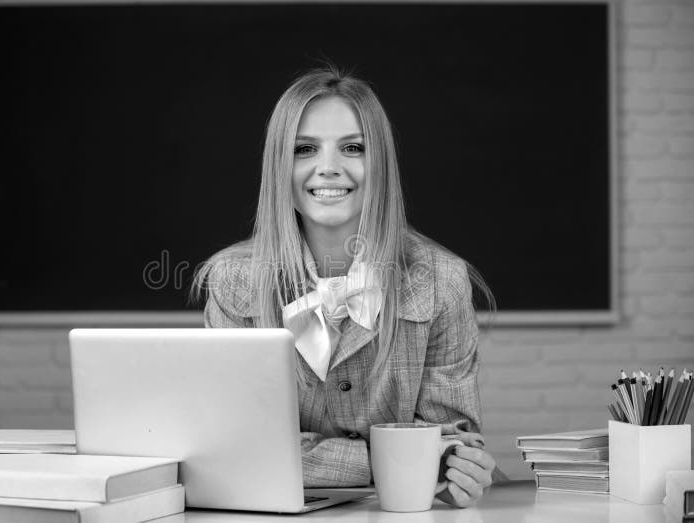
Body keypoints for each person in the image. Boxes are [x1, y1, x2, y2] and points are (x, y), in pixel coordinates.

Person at [190, 66, 499, 508]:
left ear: (381, 165)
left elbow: (454, 455)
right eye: (304, 149)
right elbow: (233, 451)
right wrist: (389, 459)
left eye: (353, 148)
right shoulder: (232, 284)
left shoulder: (441, 283)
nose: (329, 168)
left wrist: (457, 469)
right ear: (279, 165)